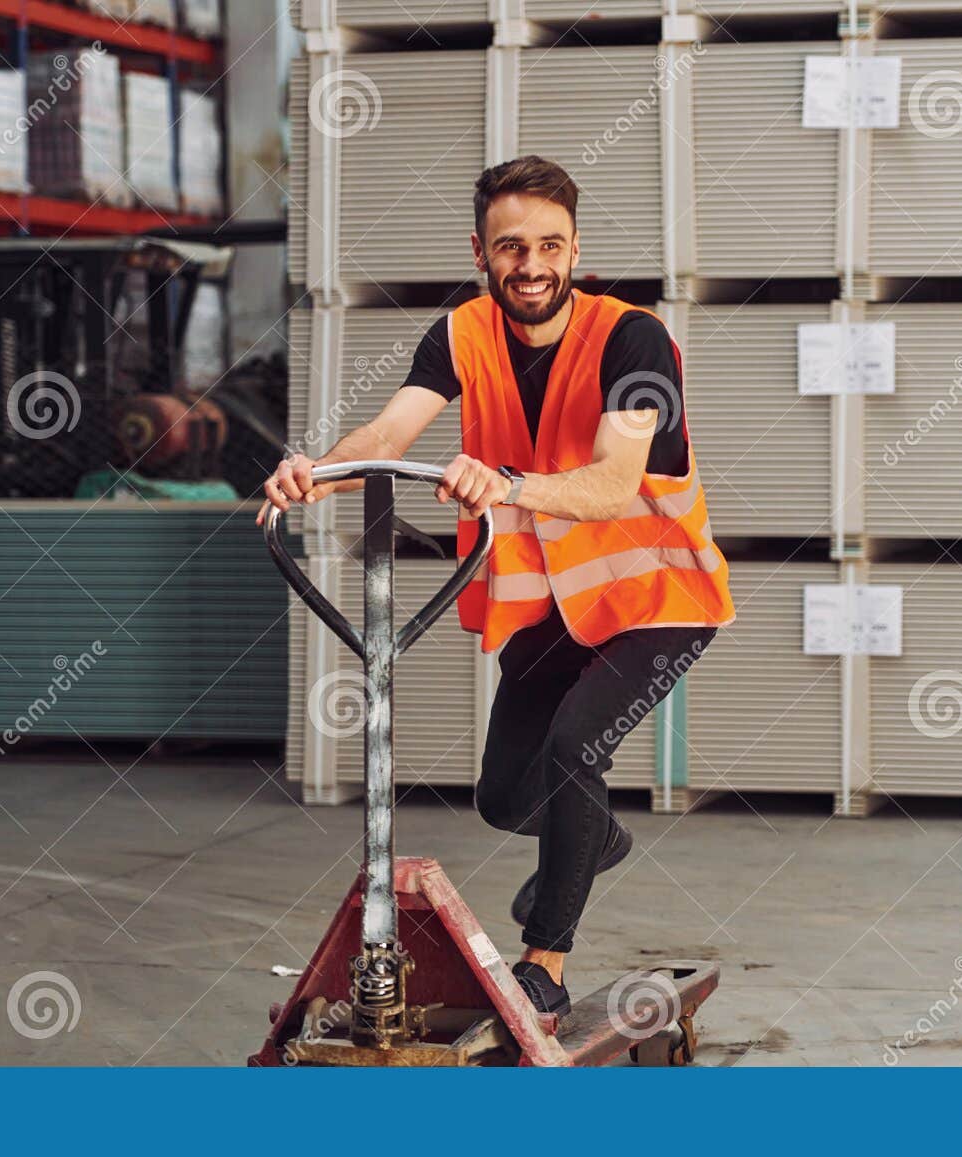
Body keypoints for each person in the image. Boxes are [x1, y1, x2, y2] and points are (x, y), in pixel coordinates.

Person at [259, 155, 734, 1018]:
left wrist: (506, 482)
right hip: (552, 607)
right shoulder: (462, 335)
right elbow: (390, 427)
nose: (532, 264)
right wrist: (314, 474)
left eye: (550, 244)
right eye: (511, 246)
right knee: (507, 799)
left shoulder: (633, 338)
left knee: (573, 749)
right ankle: (593, 843)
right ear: (479, 251)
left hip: (657, 601)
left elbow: (614, 483)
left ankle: (544, 963)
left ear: (576, 248)